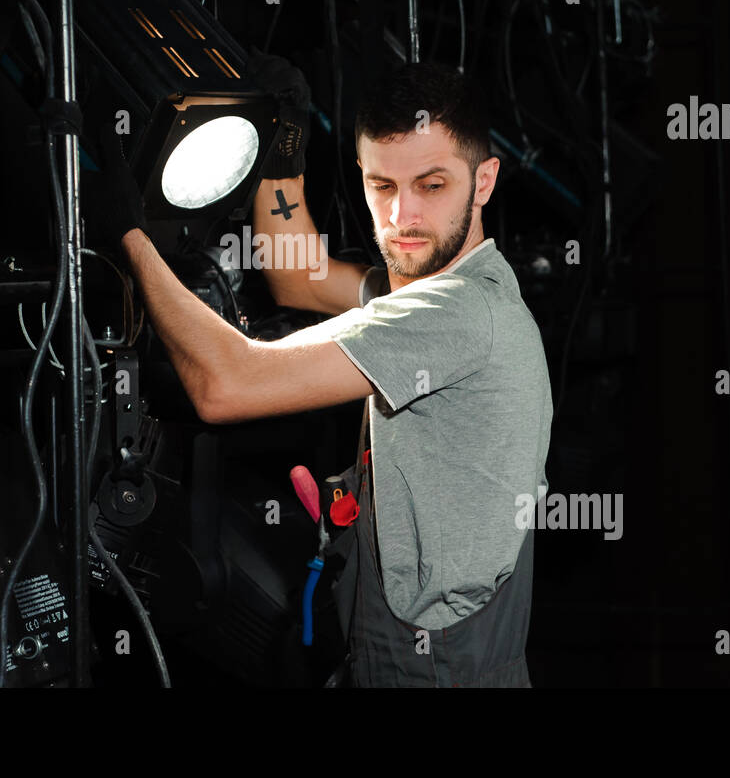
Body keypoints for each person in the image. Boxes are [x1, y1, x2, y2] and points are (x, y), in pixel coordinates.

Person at [83, 53, 553, 687]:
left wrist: (132, 238)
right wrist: (284, 152)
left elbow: (225, 385)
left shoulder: (458, 311)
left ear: (485, 180)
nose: (403, 217)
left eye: (432, 185)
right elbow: (297, 276)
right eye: (382, 186)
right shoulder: (447, 285)